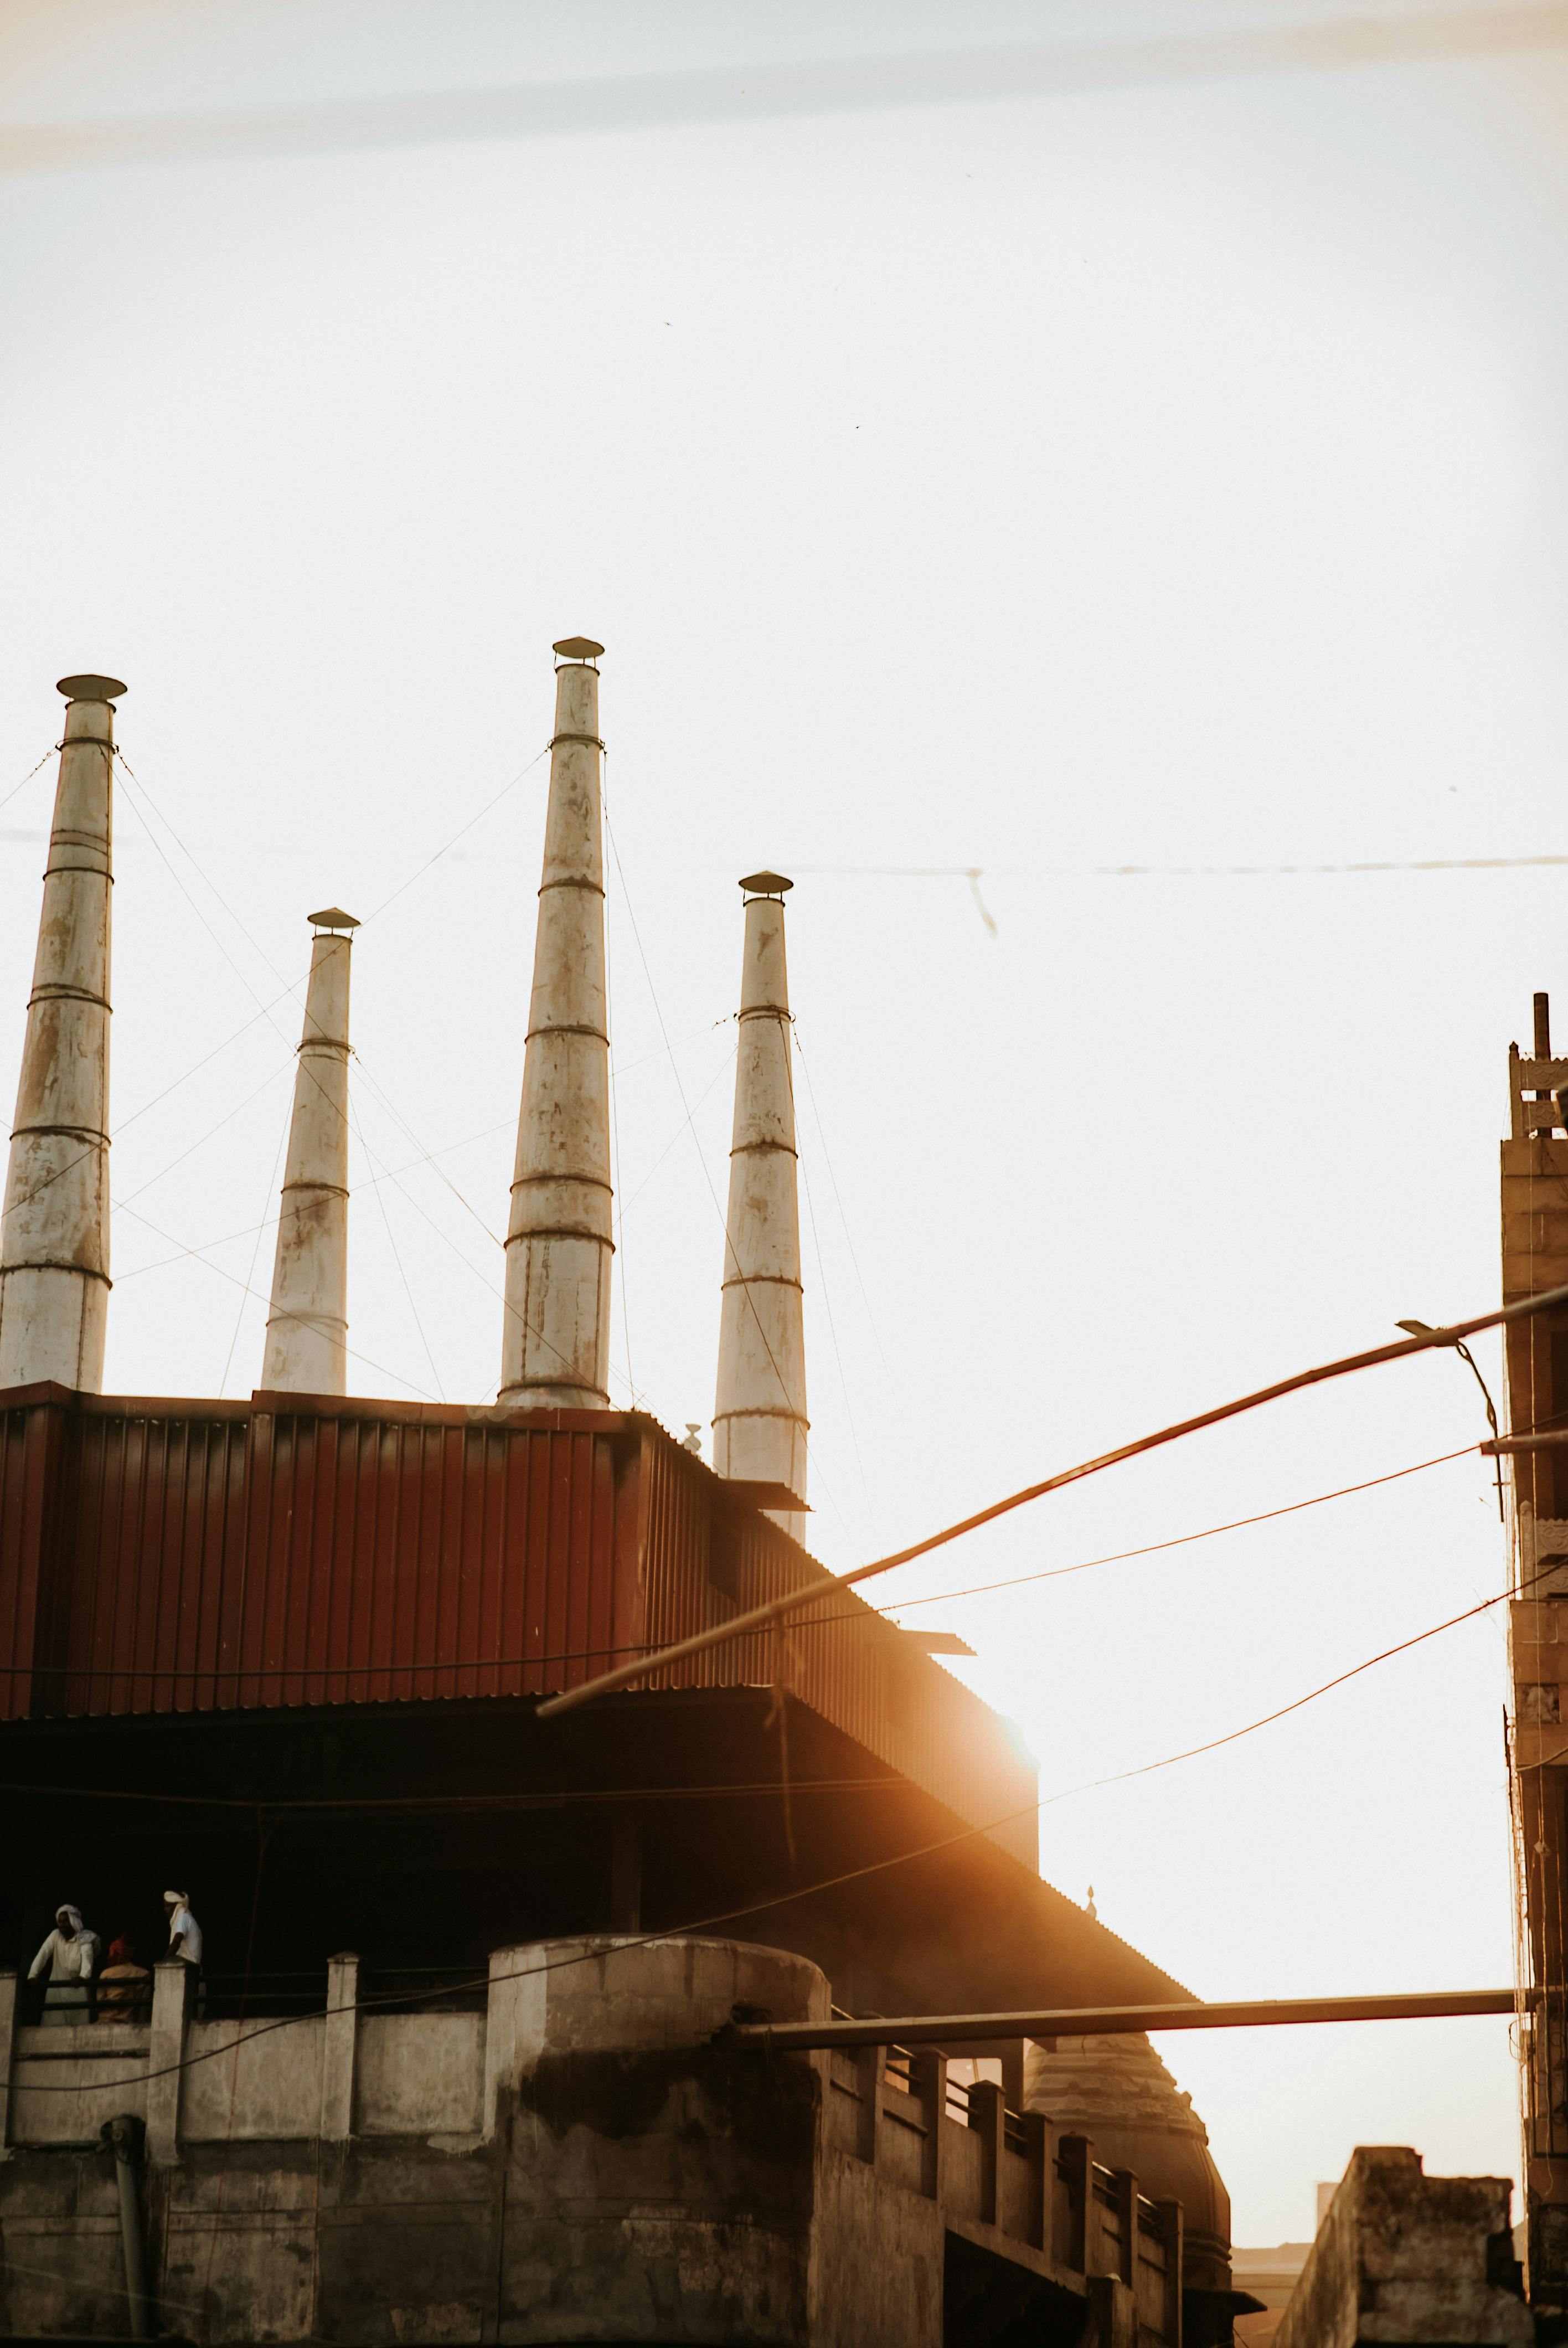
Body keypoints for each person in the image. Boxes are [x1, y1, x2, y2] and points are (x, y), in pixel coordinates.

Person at [28, 1904, 97, 2025]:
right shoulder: (55, 1935)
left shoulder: (85, 1938)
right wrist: (33, 1974)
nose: (62, 1925)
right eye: (60, 1922)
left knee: (78, 2028)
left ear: (73, 1921)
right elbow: (43, 1953)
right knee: (53, 2025)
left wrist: (82, 1977)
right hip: (57, 1992)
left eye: (66, 1921)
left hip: (78, 1990)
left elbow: (87, 1959)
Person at [96, 1934, 151, 2020]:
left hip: (106, 2021)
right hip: (130, 2021)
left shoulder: (106, 1973)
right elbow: (144, 2009)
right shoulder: (144, 1974)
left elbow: (100, 2003)